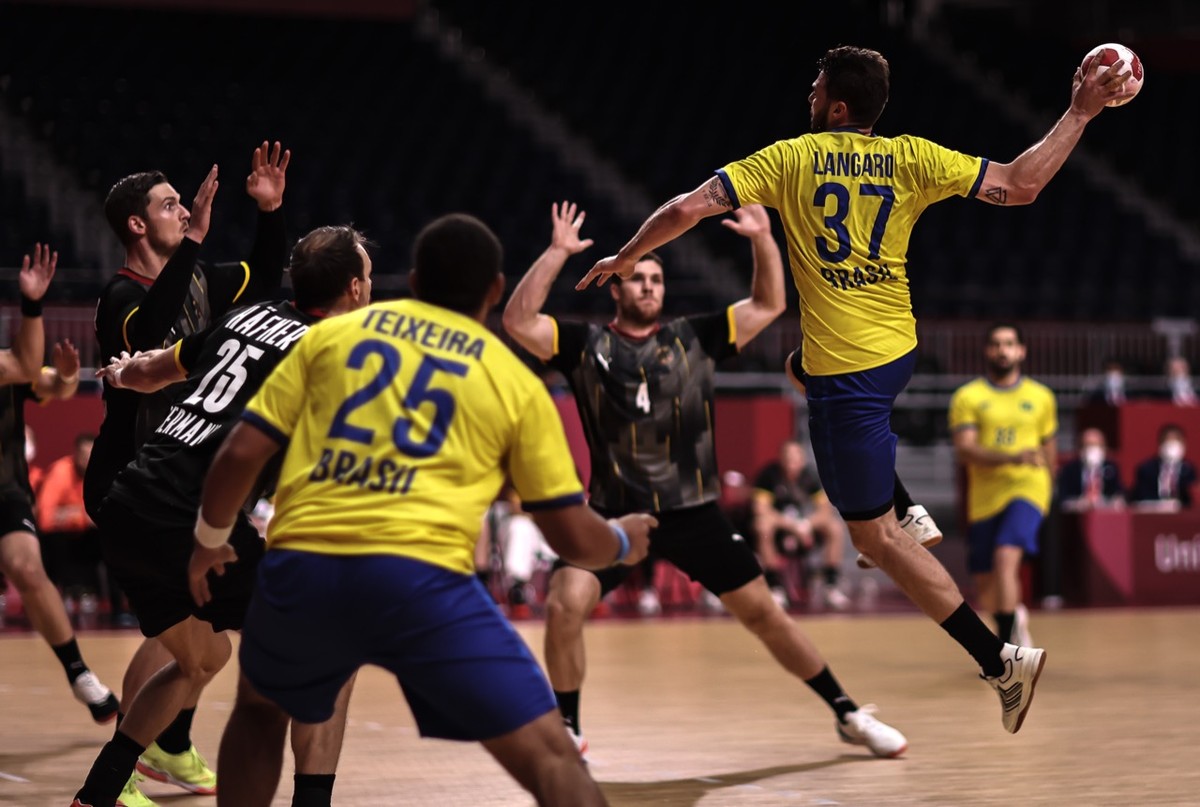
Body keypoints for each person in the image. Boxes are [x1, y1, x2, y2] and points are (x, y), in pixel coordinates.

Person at [575, 45, 1133, 732]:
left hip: (849, 376)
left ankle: (1000, 661)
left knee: (874, 540)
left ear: (835, 105)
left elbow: (685, 208)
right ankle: (909, 506)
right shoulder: (911, 156)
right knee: (797, 367)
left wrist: (627, 255)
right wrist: (1079, 113)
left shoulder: (788, 159)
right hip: (896, 349)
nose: (808, 92)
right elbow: (1020, 184)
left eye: (816, 86)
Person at [185, 212, 655, 807]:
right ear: (493, 291)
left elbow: (238, 456)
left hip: (305, 566)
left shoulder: (331, 338)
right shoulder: (513, 381)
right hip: (422, 582)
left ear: (411, 278)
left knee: (258, 710)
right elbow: (571, 537)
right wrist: (621, 541)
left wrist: (208, 541)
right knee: (552, 758)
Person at [505, 201, 907, 759]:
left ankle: (846, 712)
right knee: (564, 600)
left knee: (765, 615)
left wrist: (764, 238)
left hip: (693, 511)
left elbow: (769, 303)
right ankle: (569, 728)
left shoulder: (695, 337)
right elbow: (517, 322)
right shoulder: (583, 346)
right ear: (615, 287)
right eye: (636, 277)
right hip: (614, 517)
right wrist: (555, 253)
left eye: (655, 278)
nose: (647, 286)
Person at [70, 225, 370, 807]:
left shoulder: (248, 317)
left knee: (202, 657)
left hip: (130, 504)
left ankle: (98, 792)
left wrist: (119, 371)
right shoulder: (330, 352)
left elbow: (154, 370)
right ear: (356, 290)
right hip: (190, 516)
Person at [83, 140, 291, 804]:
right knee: (175, 634)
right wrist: (196, 244)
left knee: (202, 642)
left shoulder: (200, 274)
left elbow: (259, 280)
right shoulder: (120, 294)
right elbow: (152, 331)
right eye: (170, 205)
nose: (186, 209)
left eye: (182, 202)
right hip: (131, 482)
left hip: (179, 481)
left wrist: (269, 211)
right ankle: (136, 764)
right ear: (138, 225)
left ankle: (163, 749)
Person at [0, 244, 118, 723]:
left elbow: (50, 382)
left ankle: (78, 673)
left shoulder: (6, 364)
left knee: (26, 568)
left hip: (4, 491)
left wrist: (68, 375)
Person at [782, 347, 941, 571]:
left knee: (845, 436)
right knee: (853, 437)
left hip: (860, 349)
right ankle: (905, 513)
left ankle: (890, 524)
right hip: (896, 349)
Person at [949, 323, 1057, 651]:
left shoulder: (1041, 396)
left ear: (1021, 351)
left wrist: (1047, 489)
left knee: (1005, 556)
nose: (1003, 350)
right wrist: (1012, 456)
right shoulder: (968, 396)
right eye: (996, 344)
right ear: (987, 351)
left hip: (1028, 488)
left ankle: (1008, 650)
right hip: (985, 494)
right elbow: (966, 450)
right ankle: (1012, 618)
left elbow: (1049, 448)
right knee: (984, 579)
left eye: (1010, 343)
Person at [751, 439, 849, 610]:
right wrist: (790, 525)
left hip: (804, 529)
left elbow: (825, 509)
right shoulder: (769, 476)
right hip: (779, 529)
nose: (791, 464)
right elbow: (761, 509)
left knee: (834, 527)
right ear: (781, 458)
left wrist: (806, 524)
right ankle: (775, 587)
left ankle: (831, 586)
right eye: (787, 458)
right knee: (762, 526)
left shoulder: (810, 476)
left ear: (802, 460)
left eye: (795, 459)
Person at [1056, 427, 1124, 510]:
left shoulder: (1111, 468)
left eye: (1097, 445)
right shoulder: (1069, 470)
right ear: (1080, 449)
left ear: (1104, 449)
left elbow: (1119, 495)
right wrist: (1079, 503)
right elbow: (1063, 500)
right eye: (1088, 445)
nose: (1093, 449)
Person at [1132, 423, 1196, 509]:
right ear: (1160, 444)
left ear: (1184, 444)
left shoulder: (1189, 470)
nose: (1172, 445)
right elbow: (1140, 497)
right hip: (1153, 514)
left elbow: (1191, 499)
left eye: (1176, 440)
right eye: (1168, 441)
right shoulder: (1146, 469)